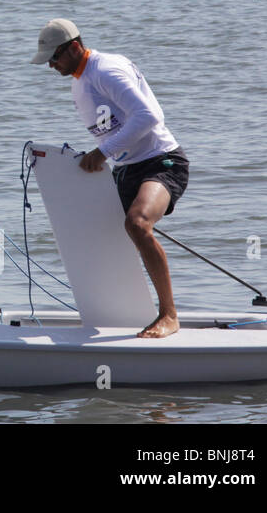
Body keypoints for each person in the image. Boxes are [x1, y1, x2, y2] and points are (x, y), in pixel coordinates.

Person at [32, 18, 189, 339]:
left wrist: (102, 152)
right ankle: (117, 309)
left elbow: (149, 115)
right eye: (48, 60)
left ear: (74, 47)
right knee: (93, 232)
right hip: (126, 170)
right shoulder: (80, 81)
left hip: (163, 163)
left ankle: (169, 315)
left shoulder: (105, 70)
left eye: (55, 57)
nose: (51, 66)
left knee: (137, 224)